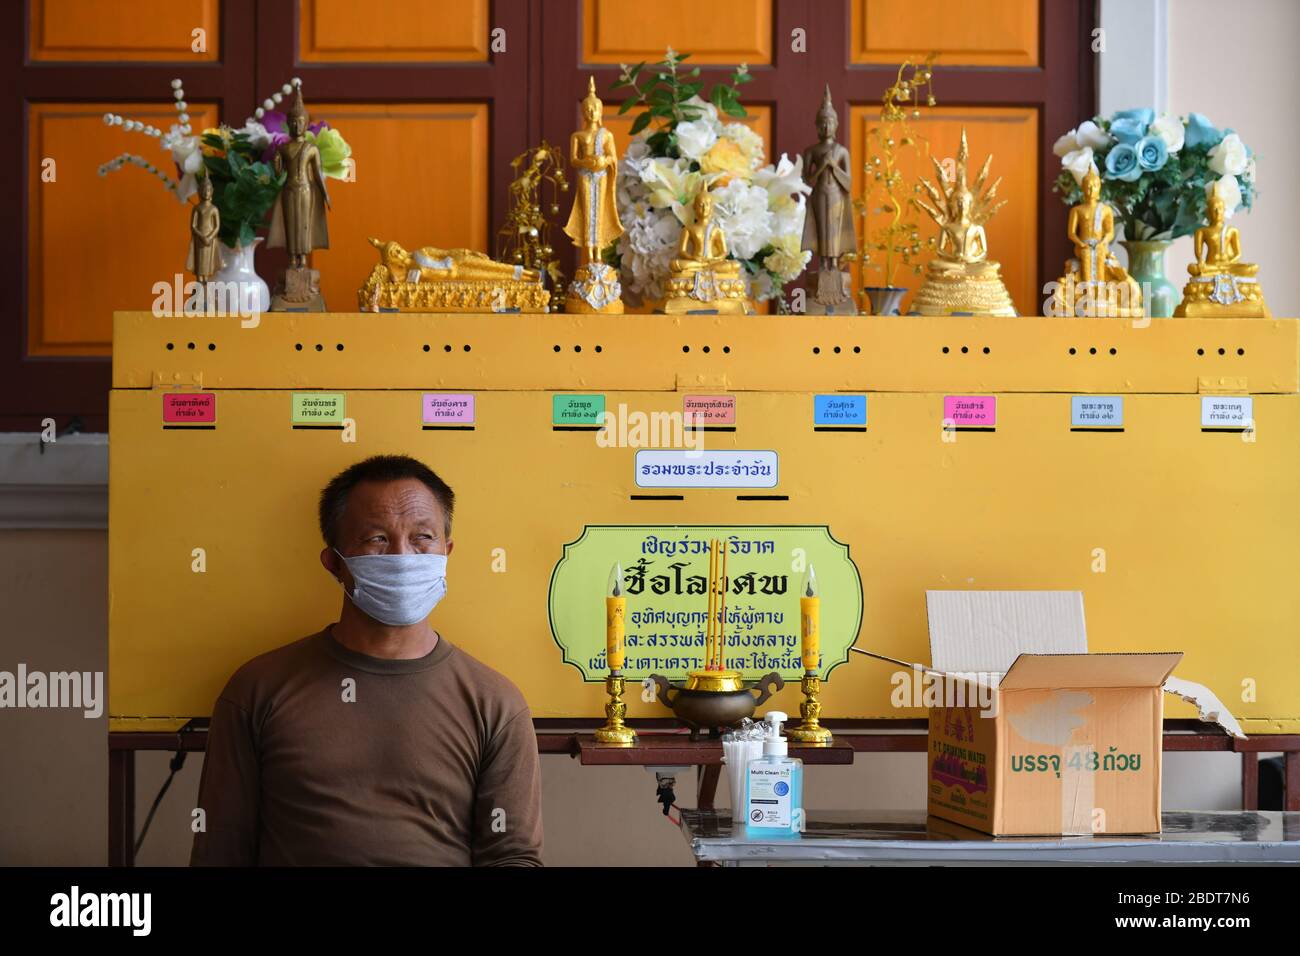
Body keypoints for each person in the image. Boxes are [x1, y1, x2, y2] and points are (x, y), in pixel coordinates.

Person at [190, 454, 543, 866]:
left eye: (422, 537)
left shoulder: (495, 703)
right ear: (334, 562)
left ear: (446, 552)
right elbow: (219, 851)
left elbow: (512, 856)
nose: (401, 555)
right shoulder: (258, 690)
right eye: (376, 538)